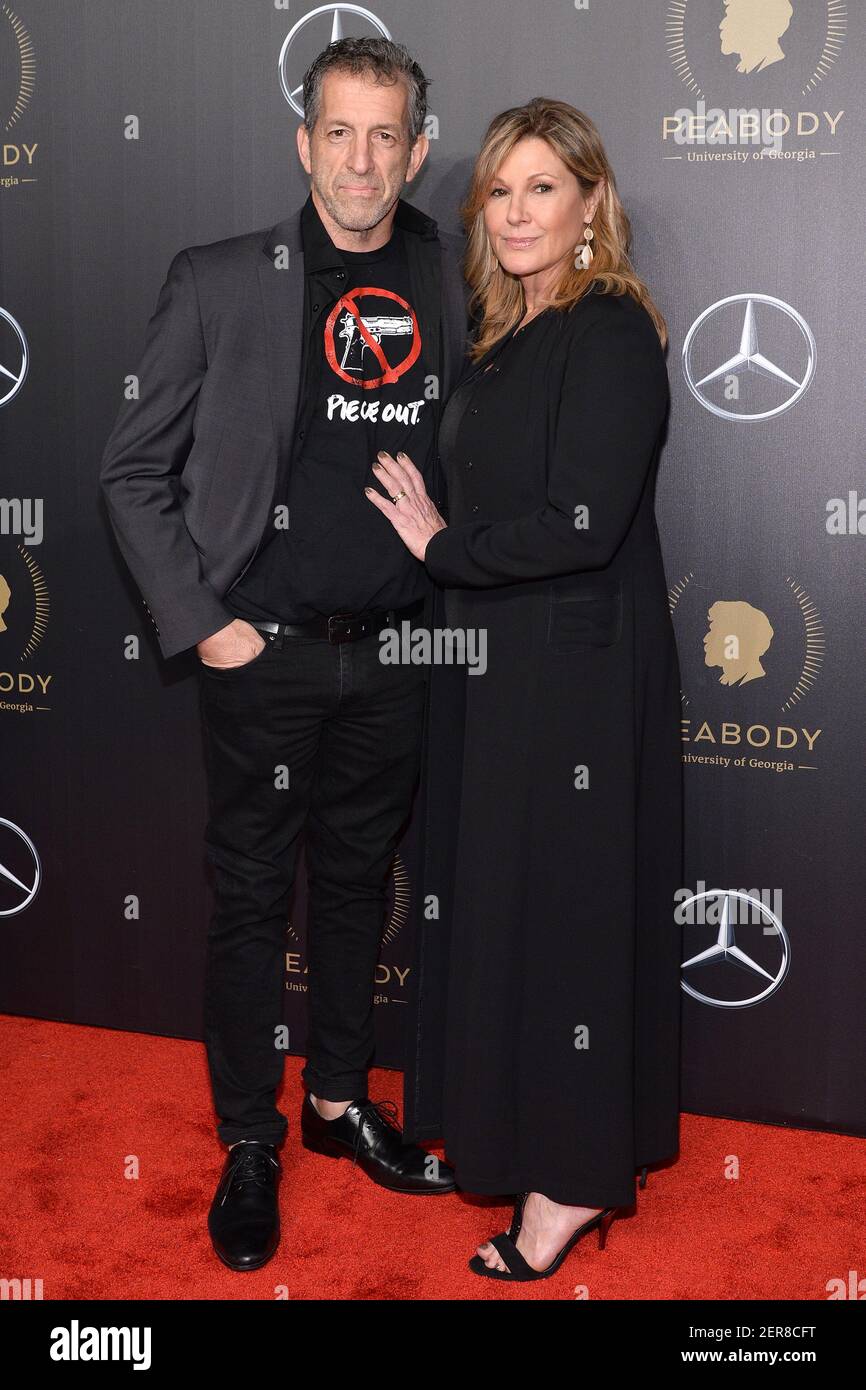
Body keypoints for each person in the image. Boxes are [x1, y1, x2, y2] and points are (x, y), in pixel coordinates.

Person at [99, 36, 471, 1273]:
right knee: (255, 902)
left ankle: (337, 1098)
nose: (362, 160)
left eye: (387, 135)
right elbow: (130, 469)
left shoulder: (449, 271)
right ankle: (250, 1137)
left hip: (398, 653)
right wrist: (204, 622)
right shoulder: (219, 280)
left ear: (416, 148)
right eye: (339, 132)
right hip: (264, 658)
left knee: (363, 889)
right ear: (302, 141)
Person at [369, 97, 684, 1282]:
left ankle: (565, 1188)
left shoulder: (607, 329)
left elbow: (583, 524)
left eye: (541, 187)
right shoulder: (506, 337)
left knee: (564, 923)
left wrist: (443, 548)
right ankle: (509, 1134)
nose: (513, 212)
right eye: (497, 190)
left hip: (576, 681)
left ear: (589, 203)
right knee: (499, 903)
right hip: (498, 669)